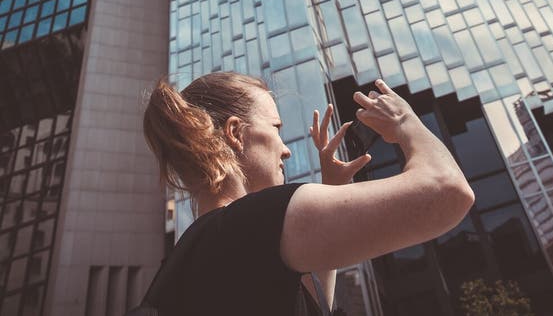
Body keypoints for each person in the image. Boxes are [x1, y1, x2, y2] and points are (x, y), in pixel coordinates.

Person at [141, 73, 474, 315]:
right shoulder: (252, 220)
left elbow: (314, 306)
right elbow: (448, 191)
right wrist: (405, 121)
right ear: (235, 133)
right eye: (276, 129)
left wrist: (333, 190)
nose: (285, 150)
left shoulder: (191, 254)